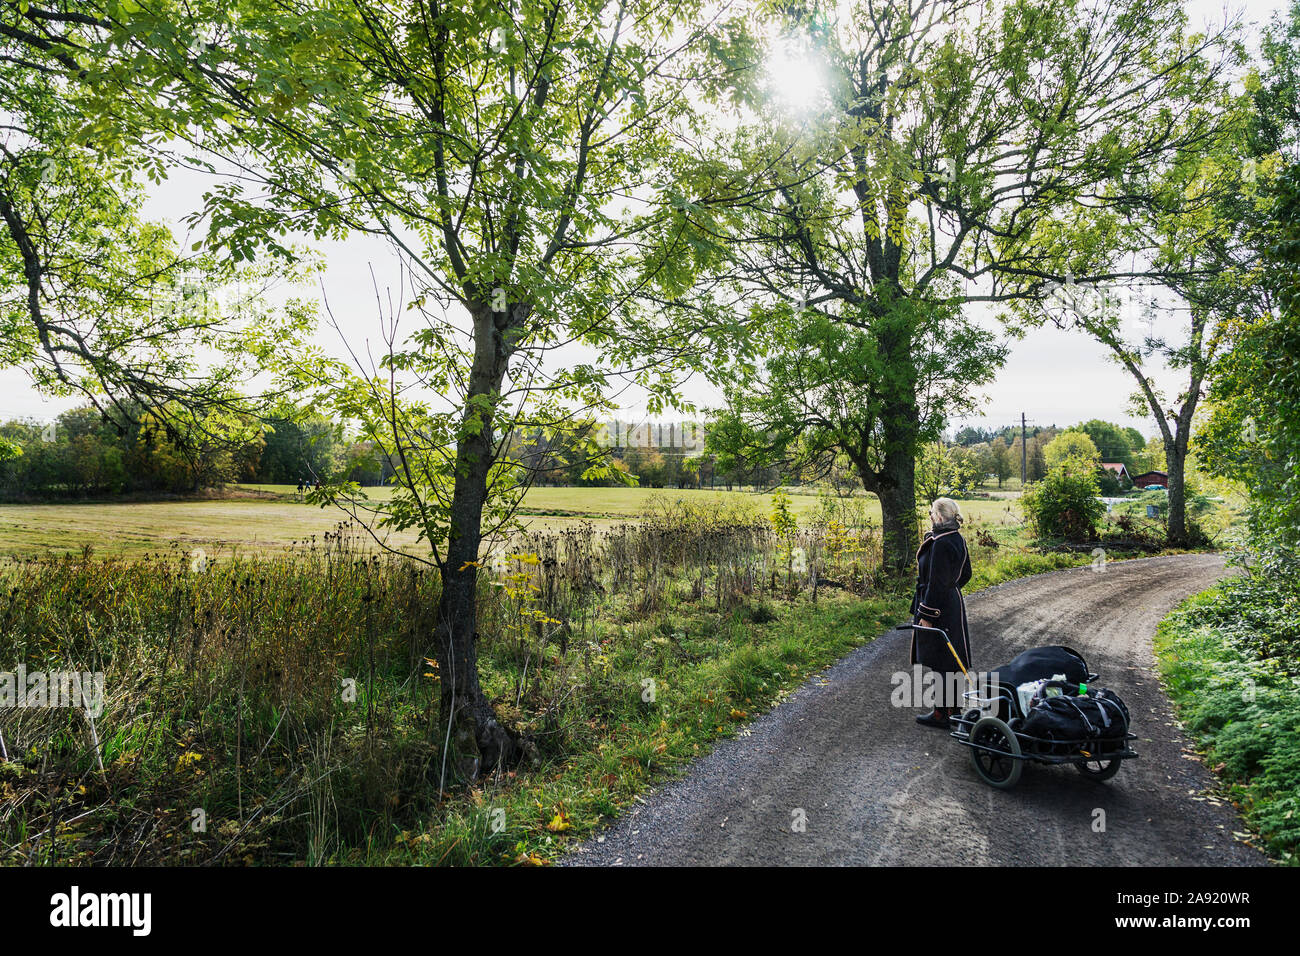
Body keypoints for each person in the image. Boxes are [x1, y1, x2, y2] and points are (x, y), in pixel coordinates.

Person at [910, 497, 973, 728]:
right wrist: (951, 591)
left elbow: (936, 583)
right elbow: (965, 574)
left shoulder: (942, 543)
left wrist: (927, 614)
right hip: (951, 604)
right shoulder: (956, 538)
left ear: (938, 516)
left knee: (942, 660)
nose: (929, 516)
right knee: (949, 659)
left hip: (938, 608)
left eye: (931, 513)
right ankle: (951, 710)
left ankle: (943, 713)